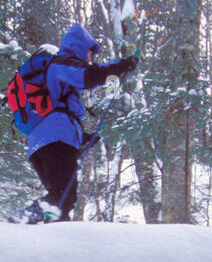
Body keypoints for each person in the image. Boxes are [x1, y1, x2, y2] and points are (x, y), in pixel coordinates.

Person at [26, 23, 138, 222]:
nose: (90, 58)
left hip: (45, 141)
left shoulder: (61, 74)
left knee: (62, 198)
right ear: (79, 46)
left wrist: (82, 138)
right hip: (55, 140)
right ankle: (18, 223)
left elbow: (63, 111)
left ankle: (48, 236)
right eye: (89, 52)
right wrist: (121, 65)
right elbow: (91, 76)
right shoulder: (61, 64)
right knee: (63, 197)